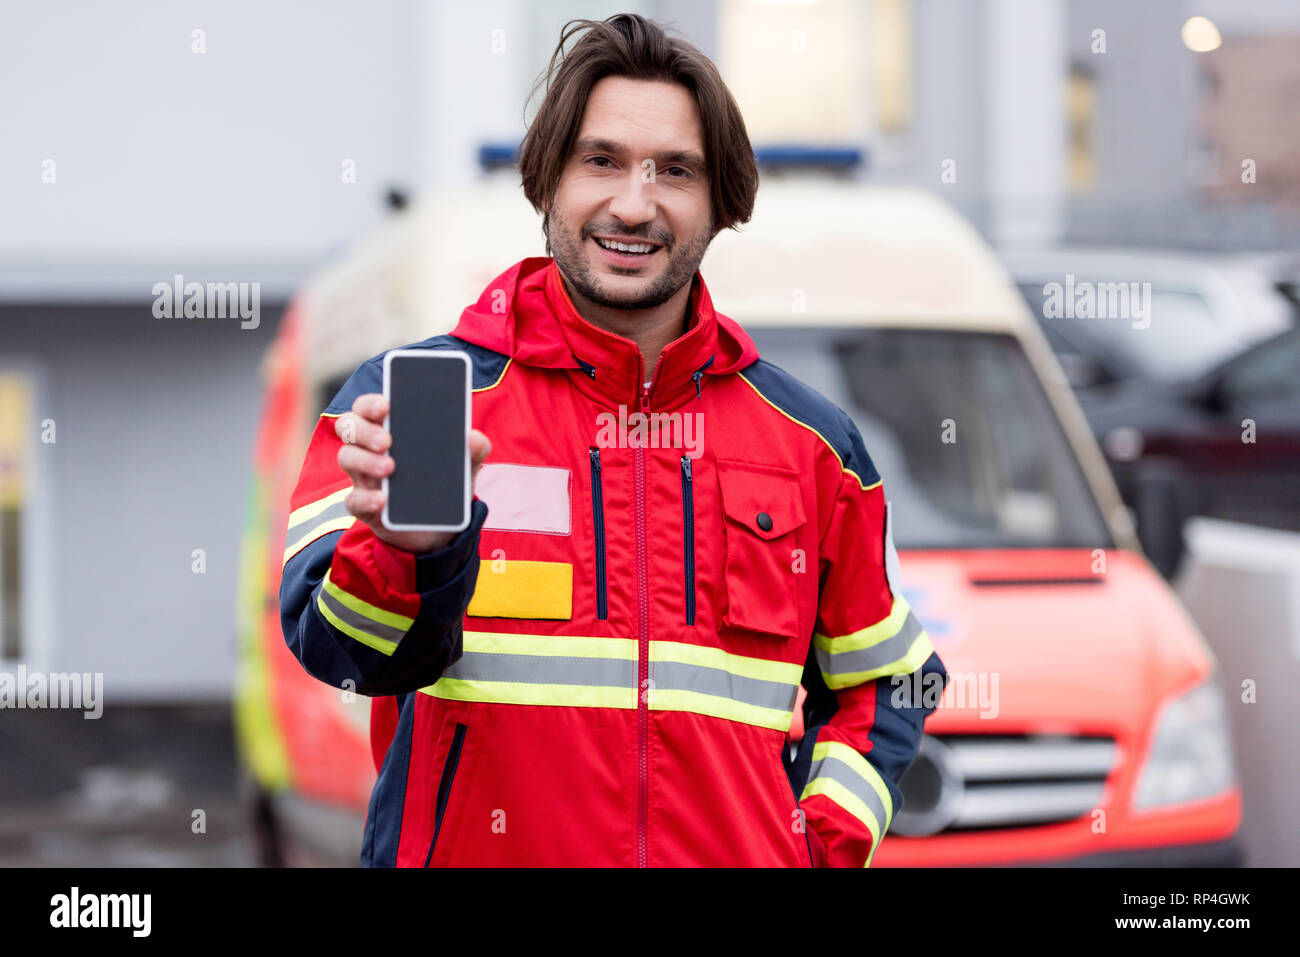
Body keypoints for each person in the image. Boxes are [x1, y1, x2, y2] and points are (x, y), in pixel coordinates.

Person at [280, 12, 947, 867]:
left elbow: (895, 679)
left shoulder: (814, 447)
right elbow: (343, 657)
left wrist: (814, 846)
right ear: (547, 180)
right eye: (601, 161)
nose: (634, 203)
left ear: (721, 202)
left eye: (675, 170)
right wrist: (410, 552)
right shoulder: (403, 405)